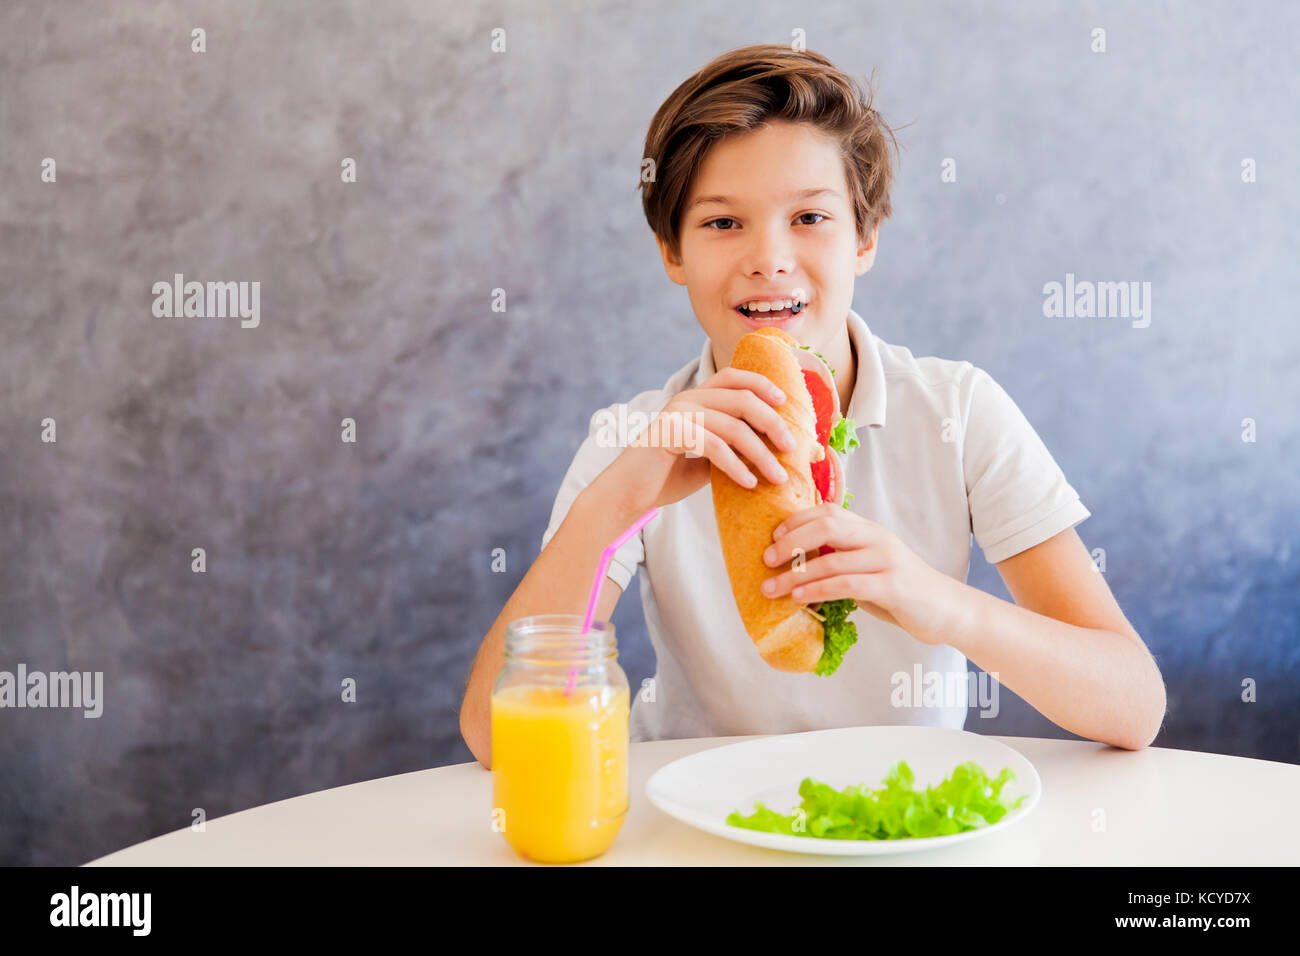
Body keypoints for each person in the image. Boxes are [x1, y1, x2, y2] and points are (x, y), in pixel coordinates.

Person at [460, 44, 1165, 768]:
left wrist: (939, 604)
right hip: (694, 824)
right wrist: (618, 501)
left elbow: (1133, 706)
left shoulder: (959, 411)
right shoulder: (636, 436)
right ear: (671, 251)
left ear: (865, 237)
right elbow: (494, 737)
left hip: (906, 817)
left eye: (809, 217)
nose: (769, 257)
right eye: (722, 223)